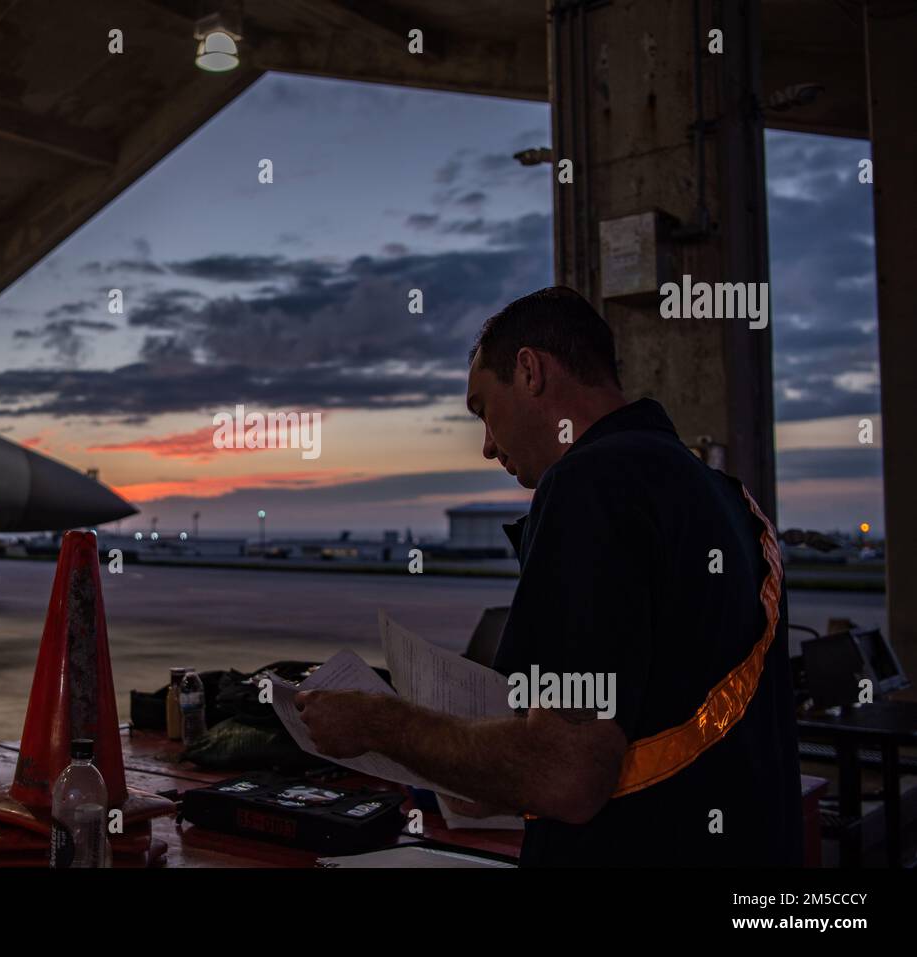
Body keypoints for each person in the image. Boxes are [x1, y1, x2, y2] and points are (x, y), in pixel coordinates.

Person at [296, 286, 803, 866]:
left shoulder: (589, 483)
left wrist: (380, 724)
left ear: (530, 371)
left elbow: (566, 774)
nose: (487, 447)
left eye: (483, 409)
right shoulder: (723, 495)